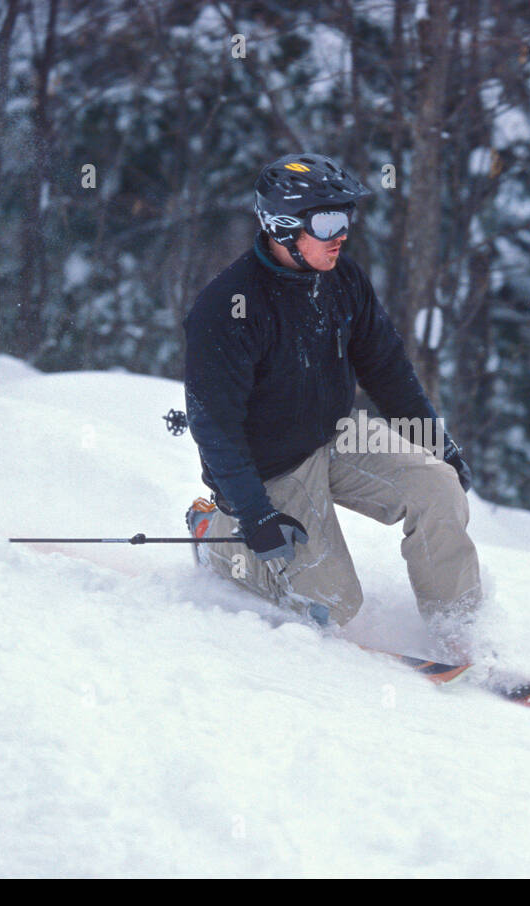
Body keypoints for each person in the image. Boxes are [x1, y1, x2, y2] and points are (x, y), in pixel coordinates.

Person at [182, 152, 481, 655]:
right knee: (334, 606)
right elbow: (214, 426)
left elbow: (388, 371)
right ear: (281, 227)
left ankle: (460, 631)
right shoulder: (227, 307)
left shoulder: (342, 281)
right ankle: (216, 533)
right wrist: (254, 514)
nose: (341, 233)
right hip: (269, 469)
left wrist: (438, 444)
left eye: (347, 218)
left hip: (336, 434)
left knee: (439, 487)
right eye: (327, 220)